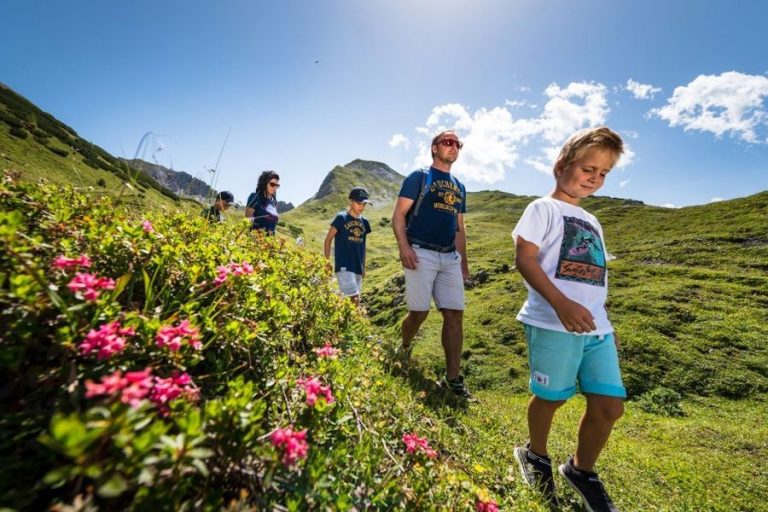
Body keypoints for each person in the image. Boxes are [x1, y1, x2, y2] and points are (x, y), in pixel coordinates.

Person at [512, 127, 625, 512]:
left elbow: (595, 278)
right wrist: (560, 304)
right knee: (552, 397)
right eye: (588, 168)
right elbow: (525, 259)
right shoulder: (541, 208)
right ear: (561, 165)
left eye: (604, 173)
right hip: (552, 322)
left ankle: (581, 470)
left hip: (596, 328)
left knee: (610, 406)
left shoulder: (593, 220)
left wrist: (607, 323)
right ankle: (535, 454)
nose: (595, 178)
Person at [391, 130, 471, 399]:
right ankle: (404, 345)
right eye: (448, 142)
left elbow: (459, 227)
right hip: (420, 252)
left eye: (457, 144)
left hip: (450, 257)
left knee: (454, 314)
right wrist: (404, 247)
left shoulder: (459, 187)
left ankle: (452, 379)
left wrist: (464, 263)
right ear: (434, 148)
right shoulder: (419, 176)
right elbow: (398, 215)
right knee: (419, 313)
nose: (453, 147)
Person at [323, 187, 373, 305]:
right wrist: (327, 262)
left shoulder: (365, 222)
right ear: (350, 202)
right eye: (359, 203)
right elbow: (328, 240)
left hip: (357, 267)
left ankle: (335, 311)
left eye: (364, 204)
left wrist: (363, 267)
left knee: (350, 303)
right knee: (355, 299)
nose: (362, 207)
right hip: (344, 266)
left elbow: (363, 245)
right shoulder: (341, 218)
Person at [245, 171, 280, 235]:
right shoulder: (254, 197)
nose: (275, 187)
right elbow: (247, 221)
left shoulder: (273, 203)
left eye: (277, 185)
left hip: (270, 240)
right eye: (272, 184)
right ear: (264, 183)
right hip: (255, 238)